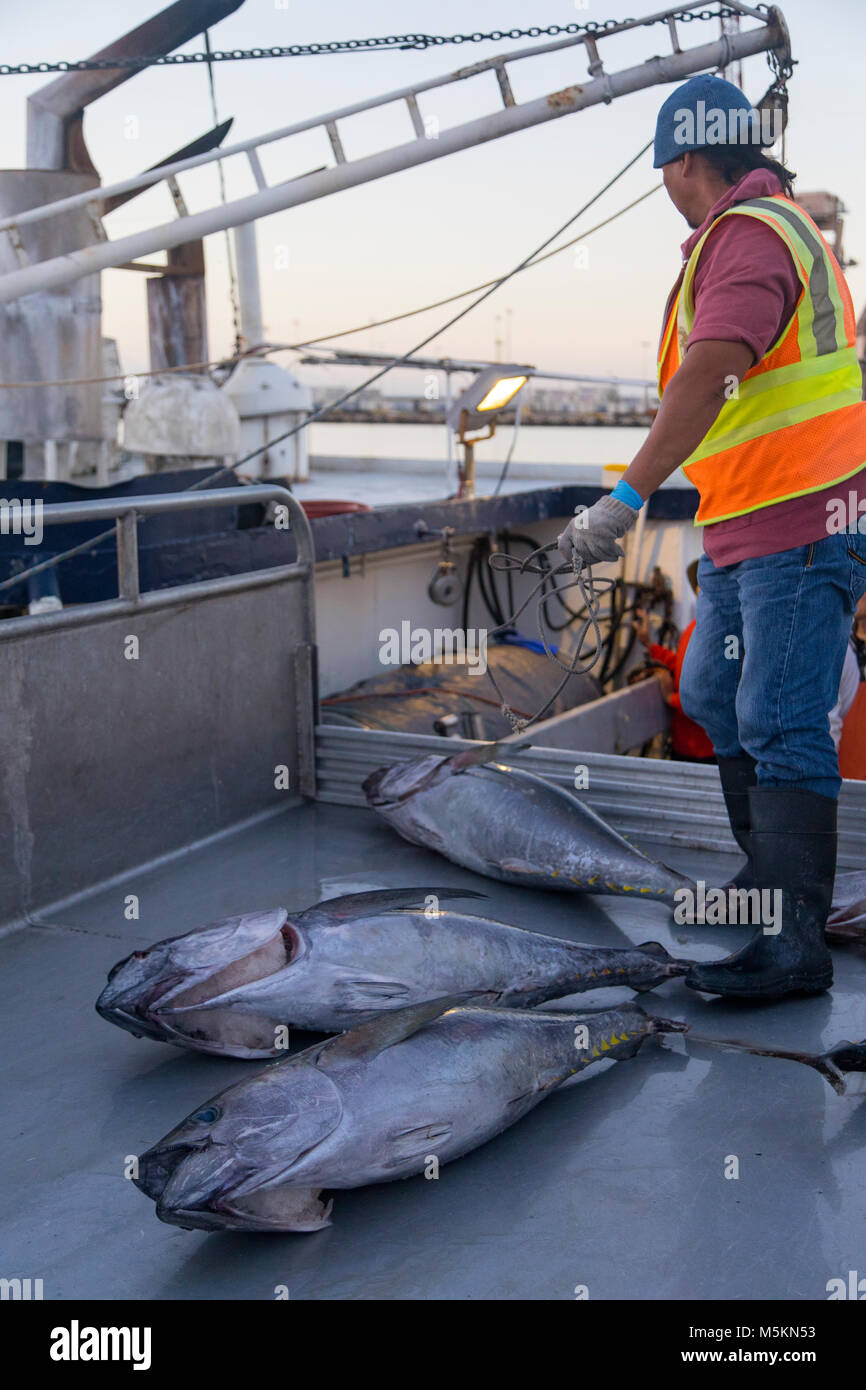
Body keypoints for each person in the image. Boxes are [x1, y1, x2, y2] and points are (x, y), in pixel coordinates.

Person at [557, 74, 866, 999]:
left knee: (778, 716)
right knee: (711, 690)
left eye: (664, 168)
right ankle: (765, 885)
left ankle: (794, 944)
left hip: (802, 517)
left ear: (683, 159)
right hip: (745, 522)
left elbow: (712, 372)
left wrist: (624, 499)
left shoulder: (751, 235)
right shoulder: (749, 235)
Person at [633, 560, 714, 762]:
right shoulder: (694, 628)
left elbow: (707, 693)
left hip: (704, 750)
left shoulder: (713, 634)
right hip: (685, 743)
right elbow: (681, 666)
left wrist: (670, 698)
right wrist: (650, 645)